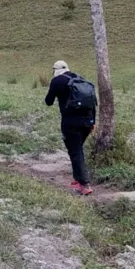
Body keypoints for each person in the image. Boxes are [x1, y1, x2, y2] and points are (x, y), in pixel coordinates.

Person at [44, 60, 99, 196]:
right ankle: (77, 178)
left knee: (76, 151)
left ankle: (84, 184)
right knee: (76, 149)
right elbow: (92, 102)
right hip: (87, 121)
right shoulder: (79, 79)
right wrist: (93, 122)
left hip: (70, 123)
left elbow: (48, 101)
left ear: (55, 70)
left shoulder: (56, 81)